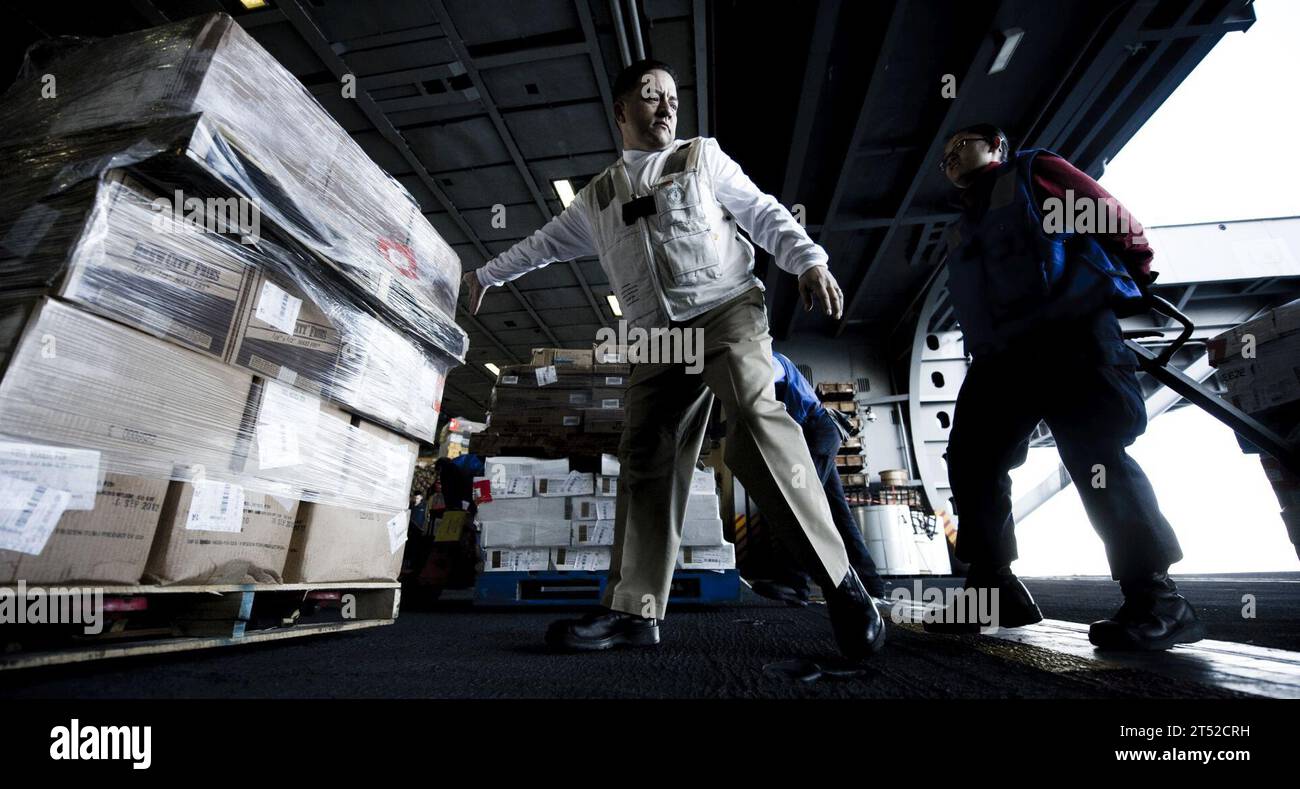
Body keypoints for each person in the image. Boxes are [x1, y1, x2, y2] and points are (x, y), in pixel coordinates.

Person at [462, 59, 884, 660]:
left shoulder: (701, 158)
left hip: (725, 309)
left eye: (673, 98)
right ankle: (633, 612)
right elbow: (543, 246)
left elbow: (763, 211)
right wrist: (485, 276)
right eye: (651, 96)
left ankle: (842, 586)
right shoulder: (598, 198)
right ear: (621, 111)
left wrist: (807, 259)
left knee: (752, 425)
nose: (667, 107)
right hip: (657, 337)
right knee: (646, 453)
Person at [924, 124, 1203, 651]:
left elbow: (1113, 218)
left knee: (1094, 455)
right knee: (971, 458)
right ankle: (992, 589)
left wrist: (1136, 274)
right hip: (1001, 357)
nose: (952, 157)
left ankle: (1158, 599)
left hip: (1069, 335)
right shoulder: (964, 225)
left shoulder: (1034, 173)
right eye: (945, 157)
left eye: (963, 144)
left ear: (997, 147)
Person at [750, 351, 886, 604]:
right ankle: (872, 584)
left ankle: (794, 583)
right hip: (813, 436)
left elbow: (759, 386)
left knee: (797, 501)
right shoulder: (767, 360)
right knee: (839, 514)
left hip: (817, 431)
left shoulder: (770, 359)